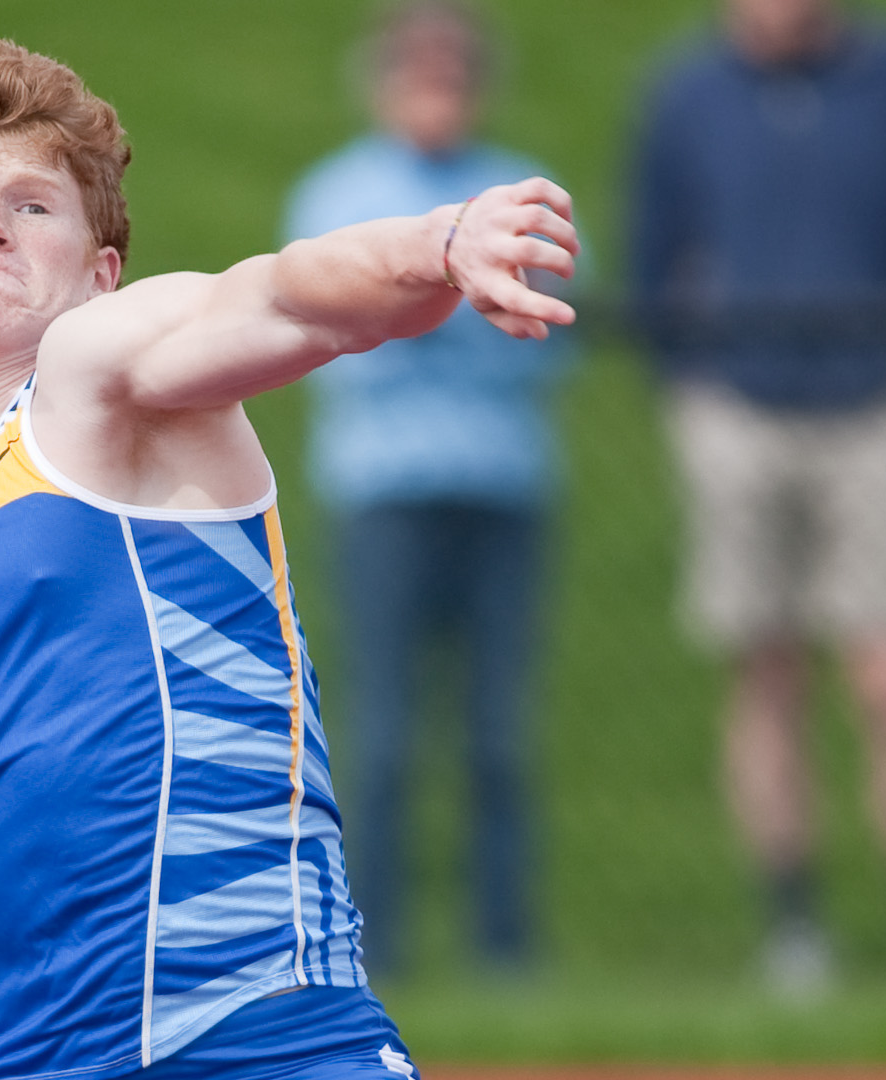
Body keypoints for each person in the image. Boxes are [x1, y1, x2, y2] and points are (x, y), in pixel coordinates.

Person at [0, 40, 576, 1080]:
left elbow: (280, 300)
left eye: (33, 205)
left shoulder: (95, 380)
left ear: (100, 273)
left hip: (246, 1050)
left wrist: (440, 240)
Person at [630, 0, 886, 997]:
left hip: (878, 408)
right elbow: (653, 246)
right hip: (738, 412)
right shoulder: (685, 91)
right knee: (768, 673)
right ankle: (793, 932)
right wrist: (694, 379)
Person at [282, 0, 574, 977]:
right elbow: (338, 340)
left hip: (502, 486)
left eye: (452, 74)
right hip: (385, 492)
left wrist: (410, 312)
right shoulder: (335, 195)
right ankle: (375, 949)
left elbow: (547, 336)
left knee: (499, 734)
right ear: (385, 81)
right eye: (418, 72)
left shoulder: (524, 190)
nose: (435, 93)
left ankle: (506, 958)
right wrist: (458, 310)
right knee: (385, 734)